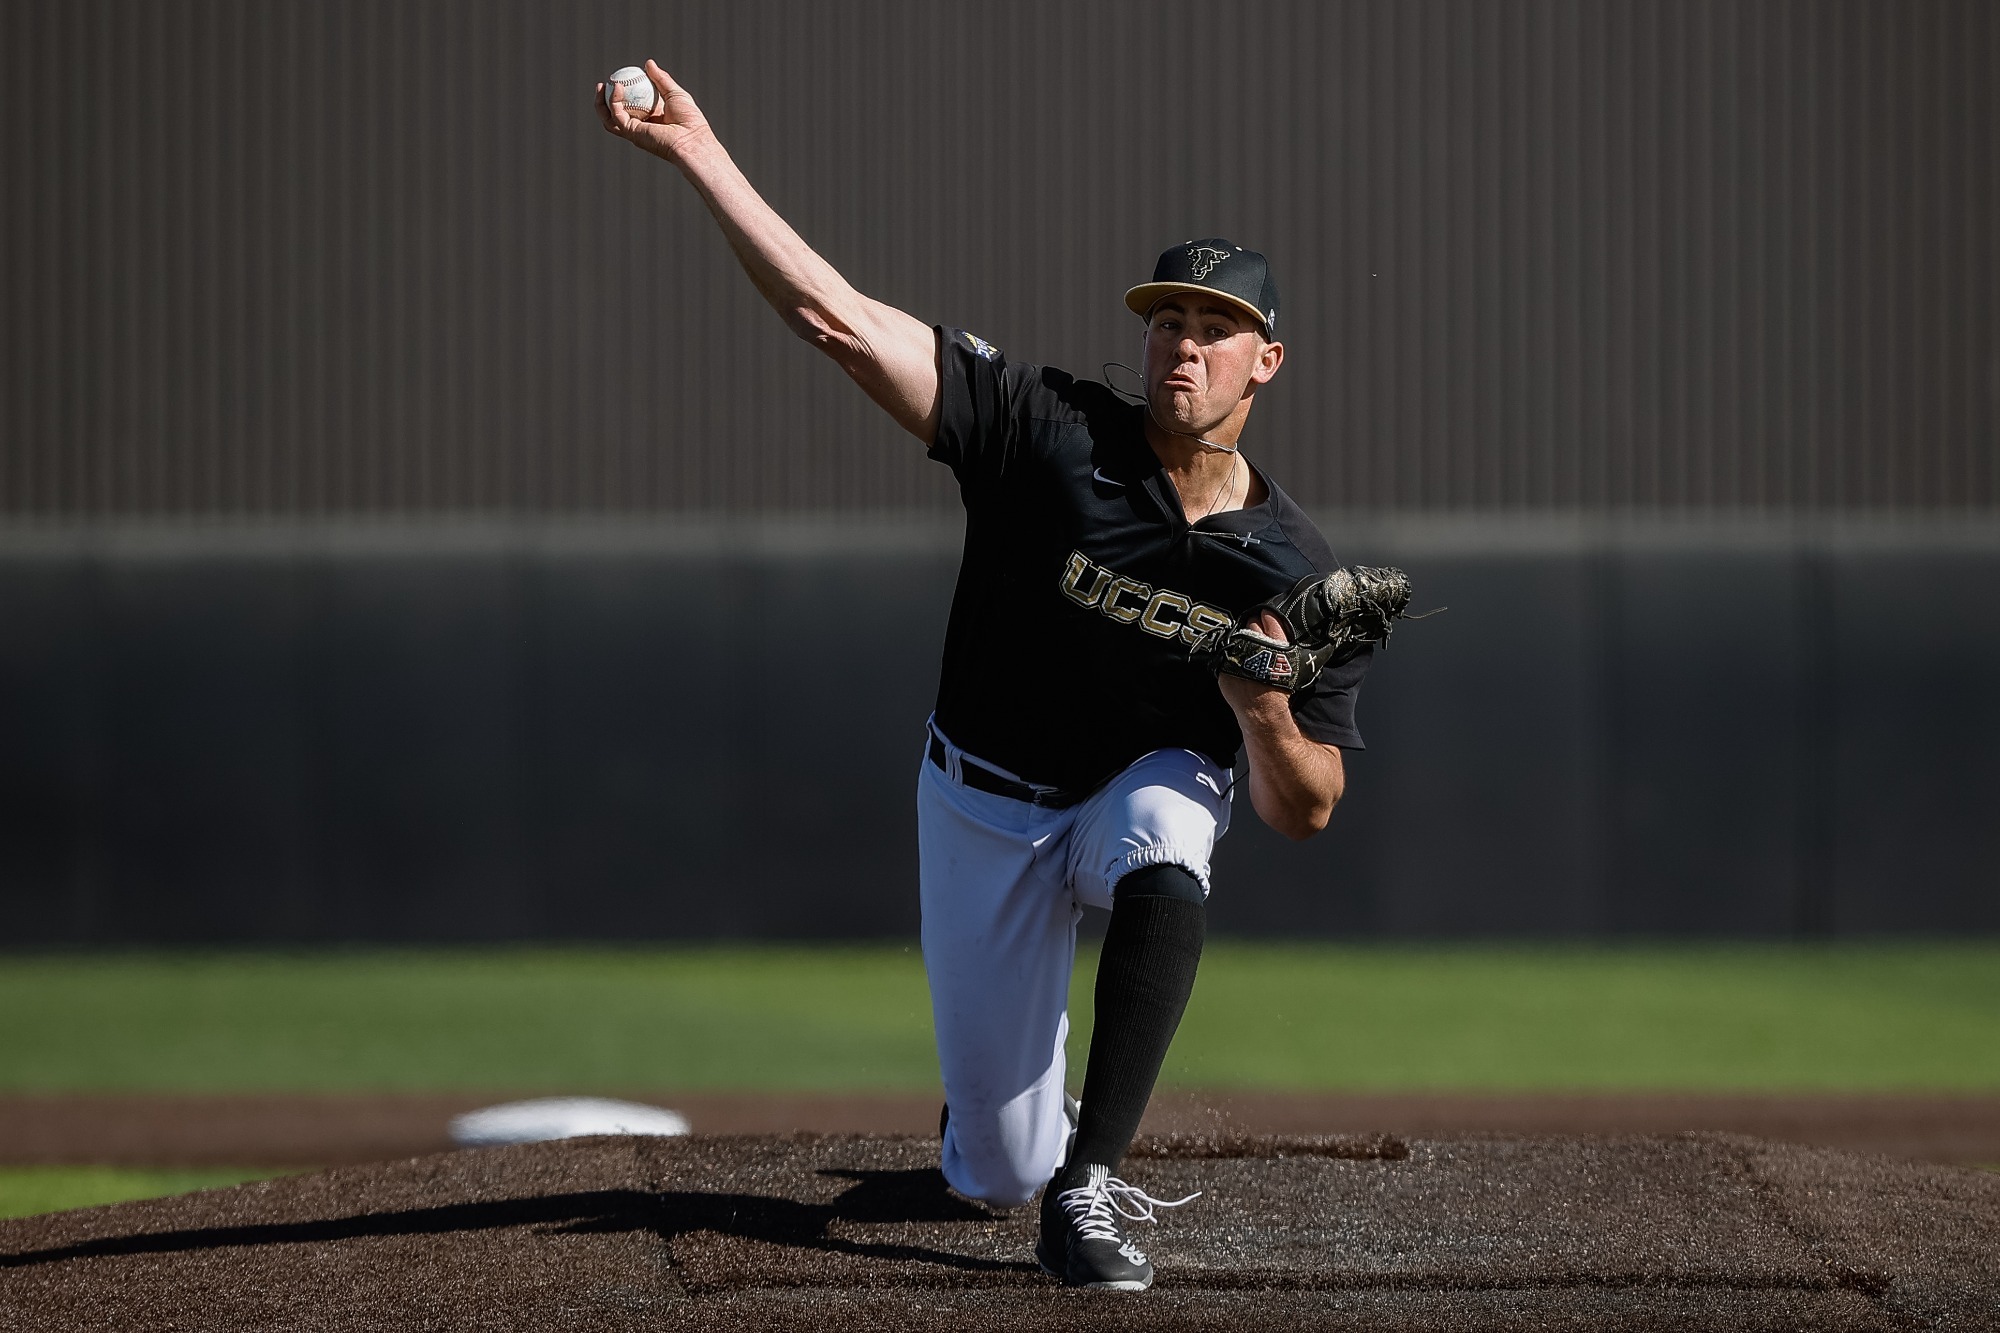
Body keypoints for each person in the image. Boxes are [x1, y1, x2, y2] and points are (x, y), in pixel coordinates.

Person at [599, 61, 1373, 1292]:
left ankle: (1090, 1183)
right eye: (1167, 321)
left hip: (1131, 789)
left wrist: (1265, 714)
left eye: (1213, 327)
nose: (1183, 344)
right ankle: (1017, 1148)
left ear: (1263, 361)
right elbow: (839, 323)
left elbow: (1306, 807)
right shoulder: (1047, 433)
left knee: (1172, 819)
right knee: (997, 1167)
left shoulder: (1291, 568)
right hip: (983, 803)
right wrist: (699, 153)